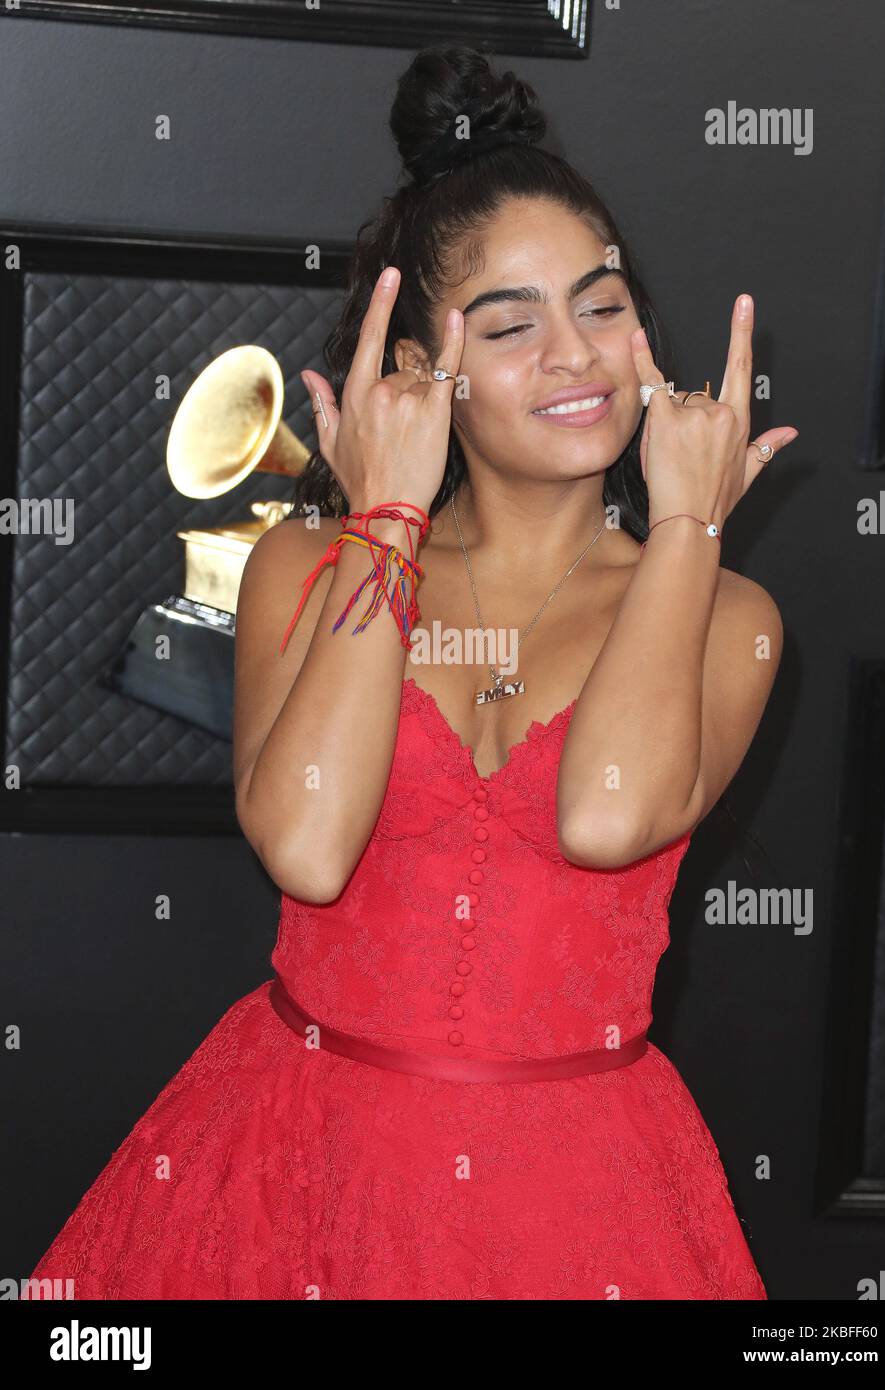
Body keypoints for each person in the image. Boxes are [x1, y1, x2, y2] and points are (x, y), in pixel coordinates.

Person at [28, 45, 797, 1301]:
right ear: (421, 372)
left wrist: (685, 527)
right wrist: (383, 517)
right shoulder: (302, 568)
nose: (576, 354)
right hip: (291, 1166)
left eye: (602, 305)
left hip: (575, 1193)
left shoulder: (727, 609)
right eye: (510, 324)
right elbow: (310, 849)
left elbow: (607, 815)